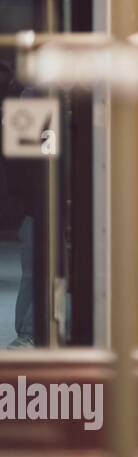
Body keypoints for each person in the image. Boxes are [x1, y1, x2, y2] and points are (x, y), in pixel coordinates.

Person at [0, 62, 37, 347]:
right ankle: (27, 332)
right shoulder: (30, 100)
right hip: (38, 201)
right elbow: (20, 159)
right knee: (36, 265)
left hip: (36, 200)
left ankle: (30, 331)